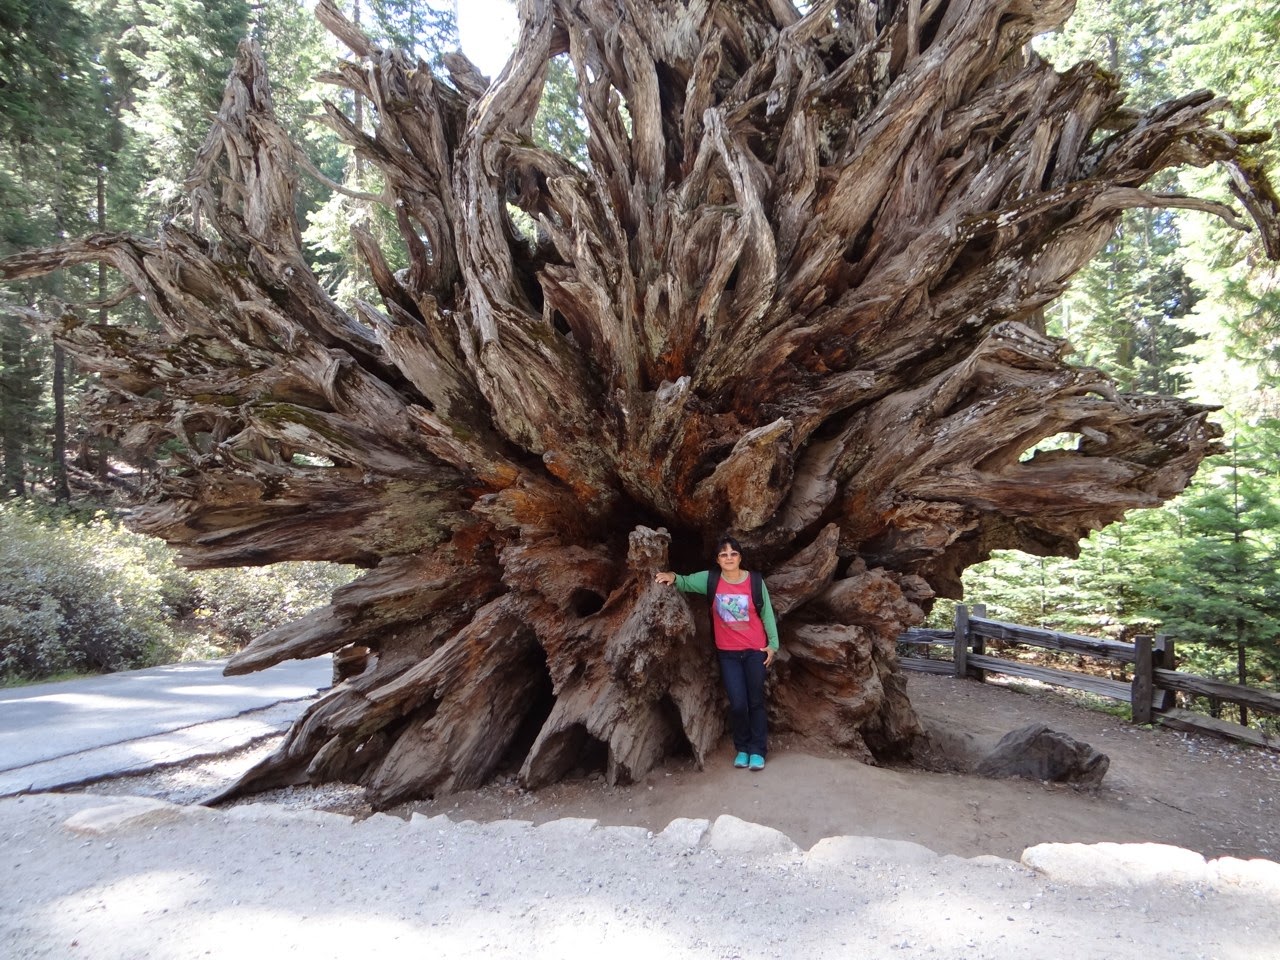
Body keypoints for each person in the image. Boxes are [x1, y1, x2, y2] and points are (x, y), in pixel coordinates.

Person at [655, 536, 779, 771]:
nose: (729, 558)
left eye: (733, 554)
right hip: (728, 653)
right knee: (738, 703)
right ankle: (742, 748)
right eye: (724, 554)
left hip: (755, 651)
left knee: (755, 701)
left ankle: (757, 750)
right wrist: (671, 576)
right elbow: (684, 581)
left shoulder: (754, 581)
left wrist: (773, 644)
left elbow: (768, 614)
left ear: (740, 557)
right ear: (718, 560)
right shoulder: (710, 580)